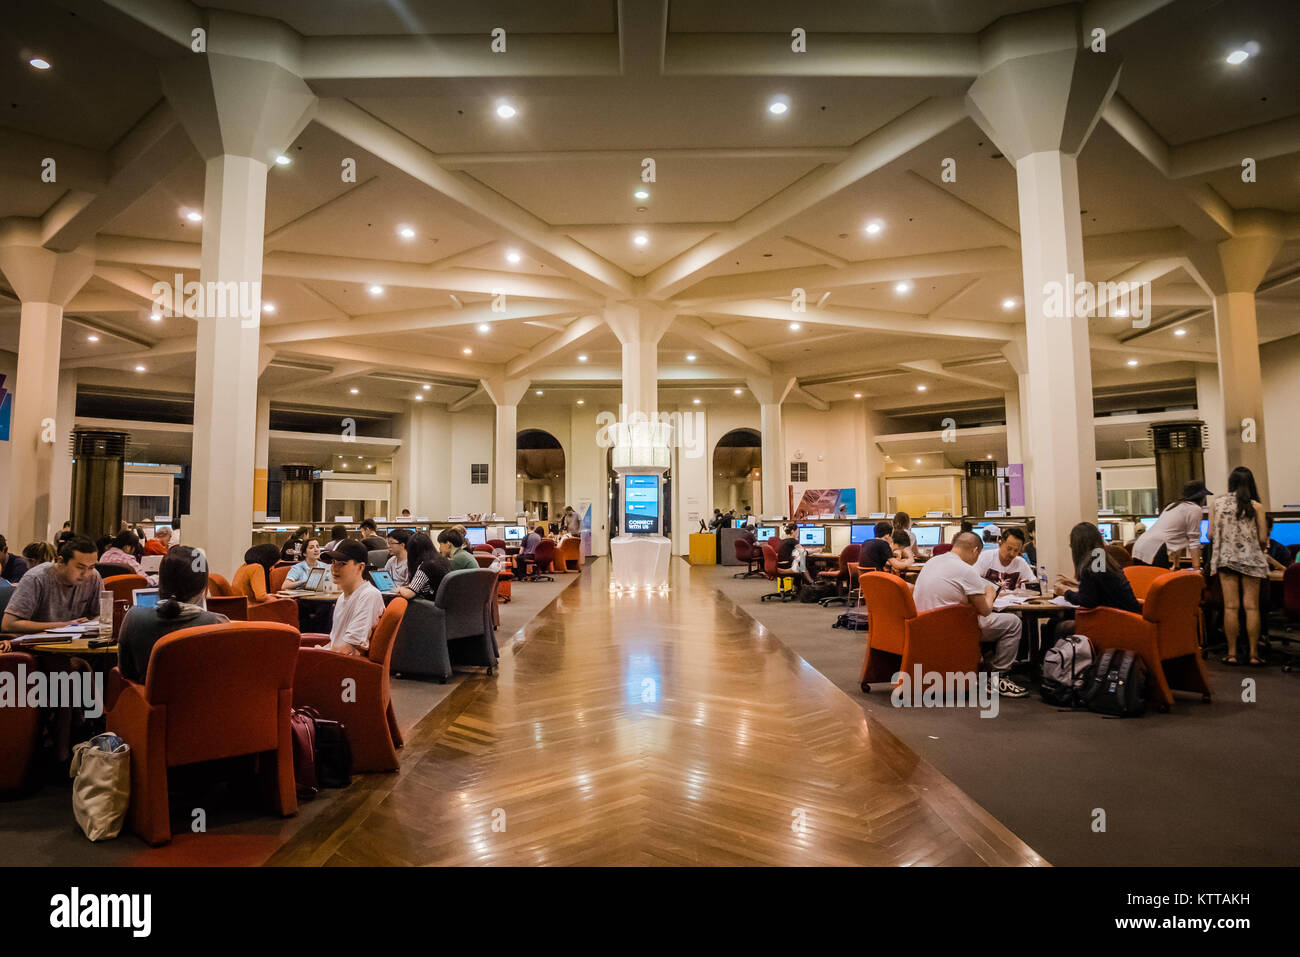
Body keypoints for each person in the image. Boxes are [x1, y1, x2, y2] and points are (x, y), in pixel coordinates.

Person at [912, 531, 1028, 698]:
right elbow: (986, 610)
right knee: (1013, 623)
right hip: (954, 628)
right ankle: (998, 677)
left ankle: (983, 668)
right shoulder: (965, 570)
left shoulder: (932, 562)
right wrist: (989, 593)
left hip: (924, 624)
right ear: (975, 551)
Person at [117, 545, 229, 683]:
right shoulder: (217, 625)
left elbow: (126, 674)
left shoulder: (133, 618)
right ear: (202, 589)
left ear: (161, 582)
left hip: (149, 702)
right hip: (203, 703)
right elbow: (225, 677)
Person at [1209, 466, 1270, 667]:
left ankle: (1232, 654)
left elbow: (1210, 535)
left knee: (1230, 607)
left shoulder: (1217, 504)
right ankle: (1253, 654)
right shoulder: (1257, 507)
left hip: (1226, 560)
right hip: (1252, 559)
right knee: (1252, 607)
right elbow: (1262, 538)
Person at [1051, 523, 1140, 639]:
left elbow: (1088, 600)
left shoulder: (1091, 566)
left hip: (1115, 621)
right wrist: (1077, 584)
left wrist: (1065, 592)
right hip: (1129, 617)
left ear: (1078, 547)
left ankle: (1052, 657)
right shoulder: (1102, 560)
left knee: (1056, 626)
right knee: (1056, 623)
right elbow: (1099, 589)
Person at [1, 536, 104, 636]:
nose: (86, 574)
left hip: (78, 644)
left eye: (91, 567)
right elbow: (8, 624)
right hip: (38, 646)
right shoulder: (36, 578)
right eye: (80, 567)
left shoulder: (94, 577)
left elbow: (102, 616)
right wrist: (64, 625)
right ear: (61, 561)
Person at [318, 540, 385, 656]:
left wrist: (316, 653)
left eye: (342, 563)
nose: (334, 568)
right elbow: (335, 643)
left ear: (361, 567)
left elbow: (348, 650)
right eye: (333, 562)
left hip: (349, 669)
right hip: (334, 662)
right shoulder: (342, 597)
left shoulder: (369, 595)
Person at [1132, 479, 1208, 569]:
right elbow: (1194, 541)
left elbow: (1175, 537)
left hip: (1139, 547)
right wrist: (1197, 568)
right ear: (1202, 497)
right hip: (1156, 550)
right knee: (1159, 581)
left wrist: (1176, 566)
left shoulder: (1172, 505)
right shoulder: (1194, 509)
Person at [974, 527, 1039, 591]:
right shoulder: (986, 557)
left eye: (1016, 550)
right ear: (1000, 544)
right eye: (1009, 549)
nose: (1012, 553)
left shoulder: (1020, 562)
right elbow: (973, 582)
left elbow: (1034, 584)